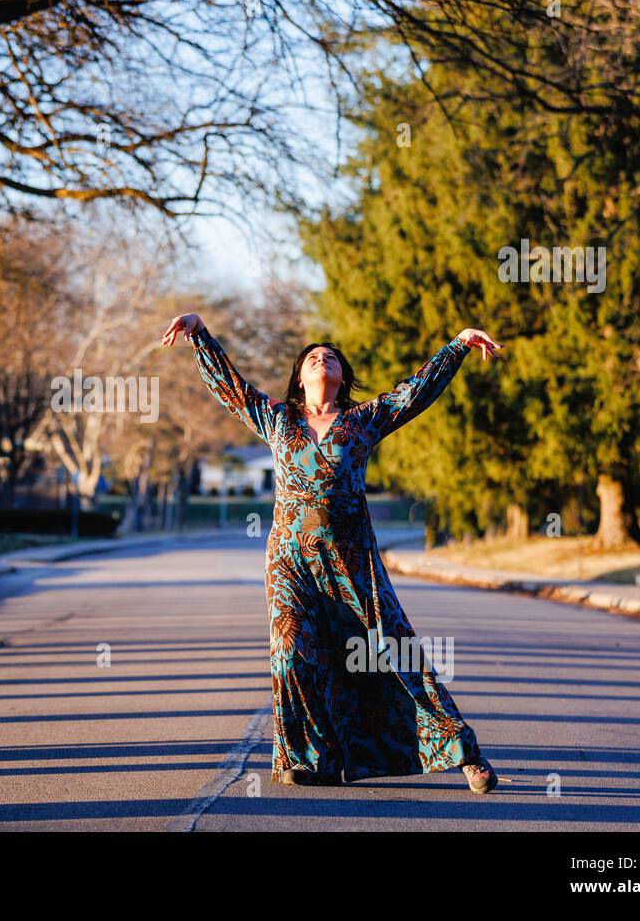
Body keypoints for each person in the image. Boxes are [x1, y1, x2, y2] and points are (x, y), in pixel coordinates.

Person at [161, 311, 504, 793]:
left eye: (331, 358)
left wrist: (458, 344)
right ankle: (307, 759)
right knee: (289, 654)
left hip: (351, 562)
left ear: (342, 378)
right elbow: (232, 388)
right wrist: (200, 334)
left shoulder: (363, 421)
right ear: (300, 378)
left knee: (391, 650)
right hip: (290, 562)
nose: (321, 360)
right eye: (312, 358)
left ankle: (464, 754)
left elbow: (415, 391)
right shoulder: (277, 417)